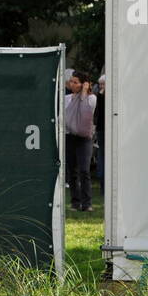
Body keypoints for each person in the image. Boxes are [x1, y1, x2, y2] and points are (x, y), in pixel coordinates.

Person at [64, 70, 96, 212]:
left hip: (84, 139)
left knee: (84, 170)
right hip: (70, 136)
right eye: (71, 81)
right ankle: (75, 203)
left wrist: (83, 92)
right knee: (72, 171)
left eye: (75, 82)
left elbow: (85, 113)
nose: (71, 84)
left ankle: (87, 203)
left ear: (84, 84)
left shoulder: (91, 98)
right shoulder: (67, 98)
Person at [93, 73, 106, 193]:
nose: (101, 86)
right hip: (102, 129)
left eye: (103, 84)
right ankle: (103, 186)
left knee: (104, 156)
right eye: (100, 84)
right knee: (102, 155)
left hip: (104, 129)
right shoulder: (100, 97)